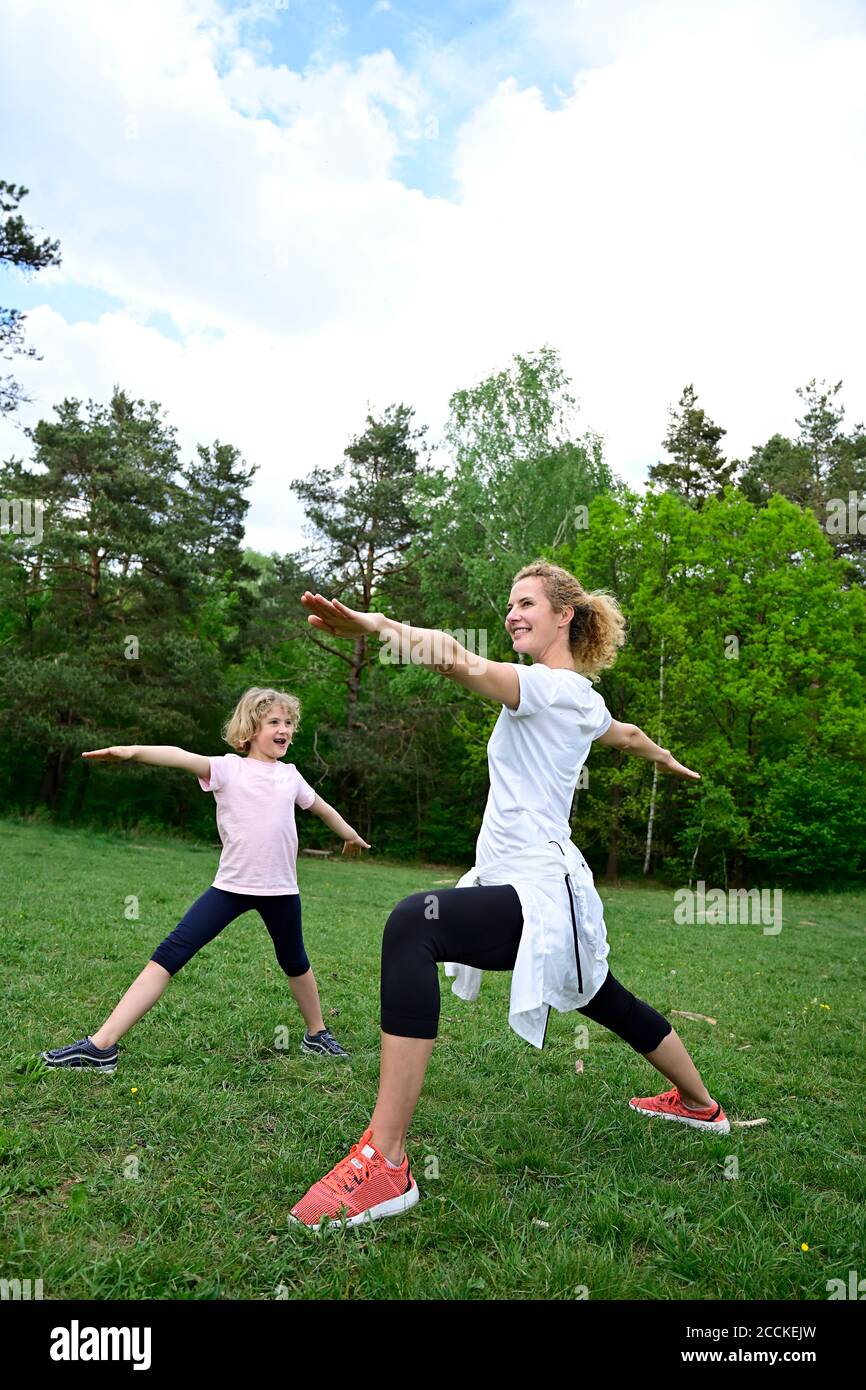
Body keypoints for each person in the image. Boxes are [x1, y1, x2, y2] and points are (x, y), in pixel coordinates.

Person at [288, 562, 730, 1231]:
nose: (513, 614)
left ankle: (386, 1161)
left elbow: (461, 663)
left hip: (538, 887)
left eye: (526, 603)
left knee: (415, 924)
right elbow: (624, 734)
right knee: (603, 996)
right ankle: (701, 1107)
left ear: (565, 617)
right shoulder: (580, 697)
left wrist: (376, 625)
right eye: (509, 605)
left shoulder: (547, 687)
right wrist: (661, 756)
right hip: (535, 886)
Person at [40, 686, 369, 1073]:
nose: (285, 729)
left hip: (281, 890)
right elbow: (179, 757)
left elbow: (323, 809)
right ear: (250, 729)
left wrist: (349, 835)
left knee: (295, 961)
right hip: (229, 888)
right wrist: (131, 752)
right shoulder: (228, 768)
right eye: (275, 722)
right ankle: (101, 1046)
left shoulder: (290, 776)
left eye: (289, 723)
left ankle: (317, 1035)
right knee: (169, 955)